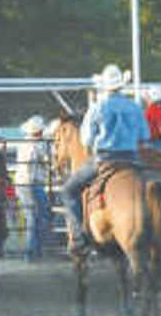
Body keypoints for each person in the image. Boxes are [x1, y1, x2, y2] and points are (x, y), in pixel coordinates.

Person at [60, 65, 149, 254]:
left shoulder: (97, 108)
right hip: (132, 160)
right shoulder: (134, 106)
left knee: (68, 191)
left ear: (104, 86)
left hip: (105, 160)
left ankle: (78, 238)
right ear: (122, 86)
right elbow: (145, 135)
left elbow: (86, 140)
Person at [15, 115, 51, 261]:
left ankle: (33, 250)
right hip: (31, 183)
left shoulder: (26, 143)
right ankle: (32, 251)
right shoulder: (35, 144)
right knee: (36, 216)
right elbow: (45, 159)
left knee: (35, 216)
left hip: (26, 182)